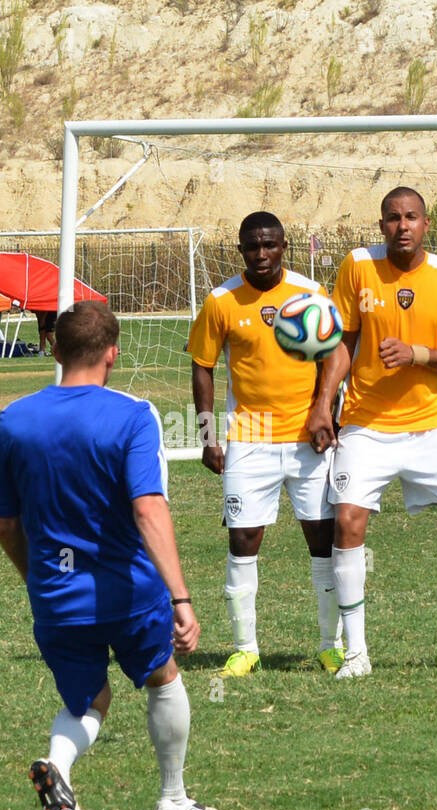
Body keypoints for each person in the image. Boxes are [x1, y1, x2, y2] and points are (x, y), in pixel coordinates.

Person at [0, 300, 217, 810]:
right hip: (127, 591)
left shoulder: (13, 419)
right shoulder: (133, 414)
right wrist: (180, 598)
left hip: (55, 594)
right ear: (113, 353)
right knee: (163, 678)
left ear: (53, 347)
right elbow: (148, 508)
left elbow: (6, 526)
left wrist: (38, 579)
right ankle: (173, 798)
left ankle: (58, 765)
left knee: (88, 698)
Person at [312, 185, 437, 679]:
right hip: (365, 424)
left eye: (412, 217)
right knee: (348, 523)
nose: (403, 226)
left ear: (426, 225)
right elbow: (338, 344)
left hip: (430, 425)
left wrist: (417, 353)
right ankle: (356, 652)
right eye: (393, 218)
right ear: (382, 226)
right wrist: (322, 405)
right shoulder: (357, 266)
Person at [187, 210, 346, 678]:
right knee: (242, 540)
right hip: (248, 438)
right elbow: (202, 365)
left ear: (283, 247)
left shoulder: (310, 294)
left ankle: (329, 646)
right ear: (240, 249)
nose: (261, 254)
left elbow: (336, 354)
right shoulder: (221, 300)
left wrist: (325, 411)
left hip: (307, 439)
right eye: (252, 247)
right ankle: (245, 649)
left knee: (323, 542)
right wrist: (207, 434)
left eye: (270, 245)